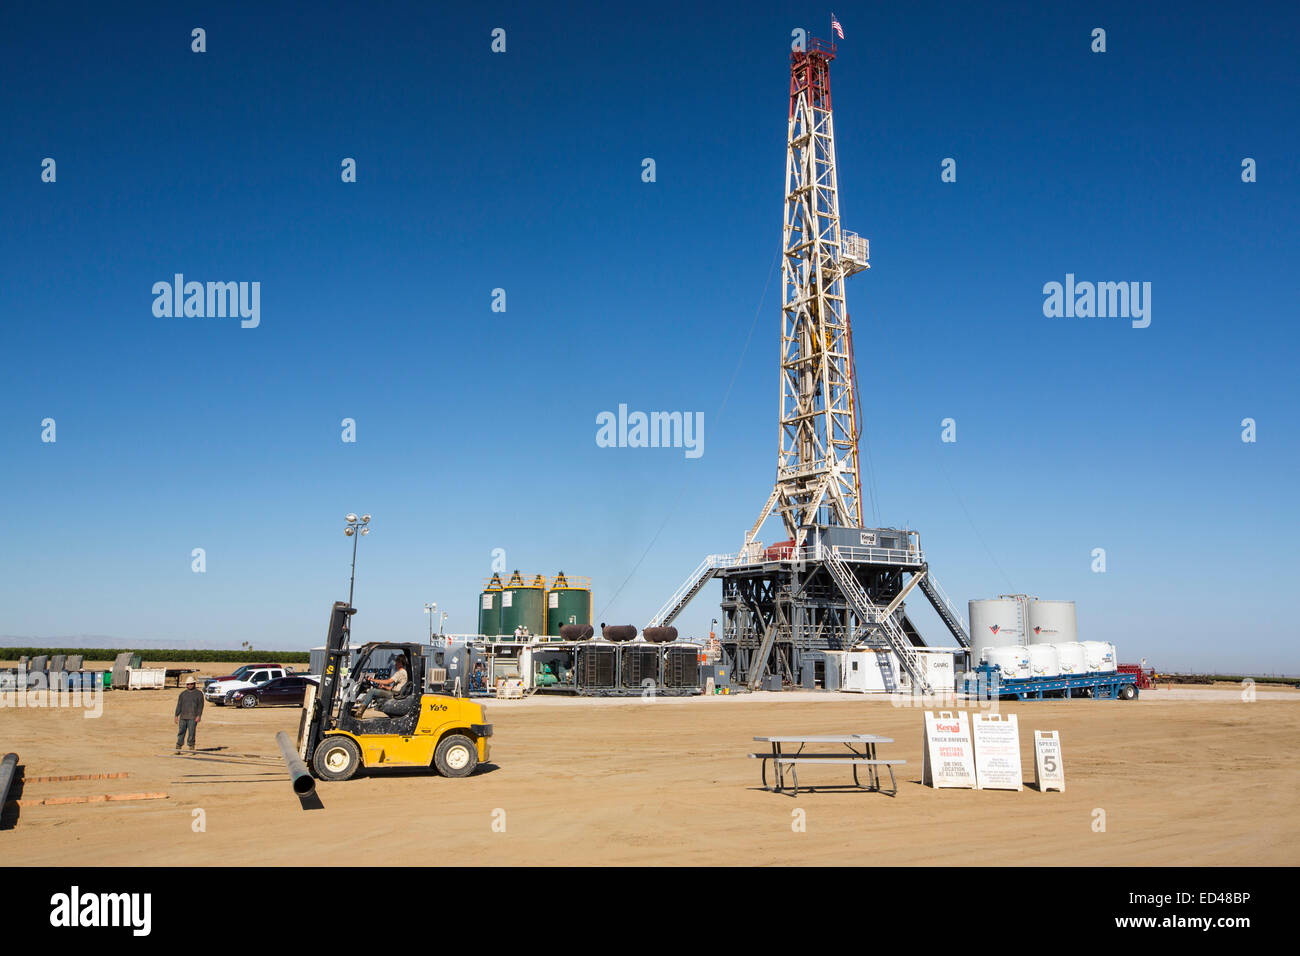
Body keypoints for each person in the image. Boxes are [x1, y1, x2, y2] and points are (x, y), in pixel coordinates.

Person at [174, 676, 204, 752]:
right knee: (181, 732)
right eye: (188, 684)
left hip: (193, 717)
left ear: (194, 684)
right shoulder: (182, 694)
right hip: (183, 717)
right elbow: (179, 705)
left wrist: (199, 716)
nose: (189, 685)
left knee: (191, 732)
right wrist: (176, 715)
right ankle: (178, 746)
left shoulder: (199, 694)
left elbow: (200, 706)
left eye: (191, 684)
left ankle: (191, 746)